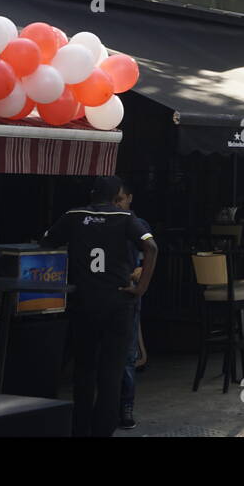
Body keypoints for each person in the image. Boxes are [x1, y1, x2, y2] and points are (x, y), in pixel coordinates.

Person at [41, 176, 157, 438]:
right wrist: (141, 288)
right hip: (117, 302)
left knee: (84, 369)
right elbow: (151, 247)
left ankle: (80, 428)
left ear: (92, 194)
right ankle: (103, 430)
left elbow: (46, 242)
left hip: (84, 301)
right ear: (117, 194)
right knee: (111, 372)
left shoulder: (73, 215)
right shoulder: (125, 218)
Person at [118, 181, 150, 431]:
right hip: (106, 291)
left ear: (129, 198)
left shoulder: (137, 224)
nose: (116, 205)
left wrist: (141, 273)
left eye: (120, 200)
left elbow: (149, 251)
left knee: (128, 355)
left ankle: (126, 407)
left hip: (129, 293)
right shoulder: (103, 223)